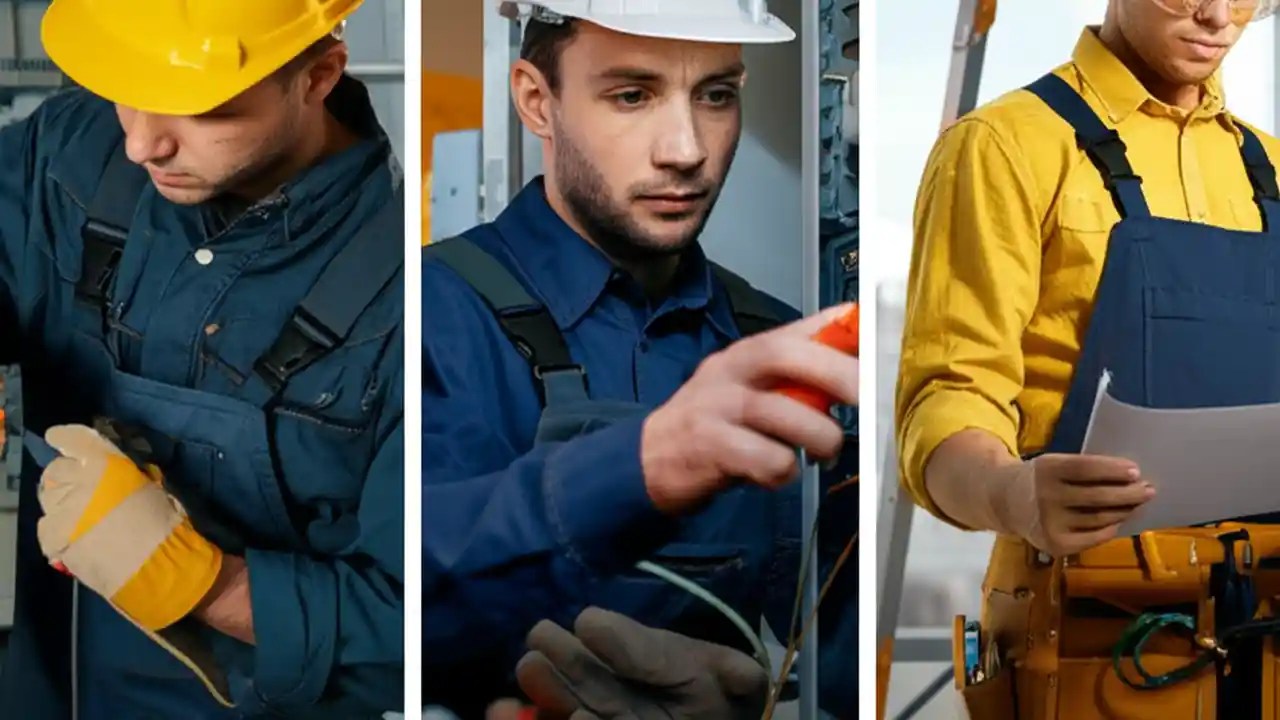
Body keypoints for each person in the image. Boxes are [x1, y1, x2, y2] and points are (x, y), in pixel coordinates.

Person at [422, 1, 859, 716]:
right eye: (632, 95)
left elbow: (830, 657)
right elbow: (400, 589)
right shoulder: (432, 314)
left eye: (716, 95)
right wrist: (648, 464)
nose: (685, 149)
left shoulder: (777, 343)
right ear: (537, 100)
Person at [0, 1, 405, 718]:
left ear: (318, 75)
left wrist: (205, 586)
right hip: (52, 685)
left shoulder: (407, 295)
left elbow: (417, 631)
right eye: (131, 90)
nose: (142, 145)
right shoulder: (73, 150)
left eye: (200, 110)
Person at [896, 0, 1280, 716]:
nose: (1215, 15)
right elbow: (947, 397)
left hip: (1264, 620)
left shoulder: (1274, 168)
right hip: (1084, 626)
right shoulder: (1005, 145)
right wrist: (1011, 494)